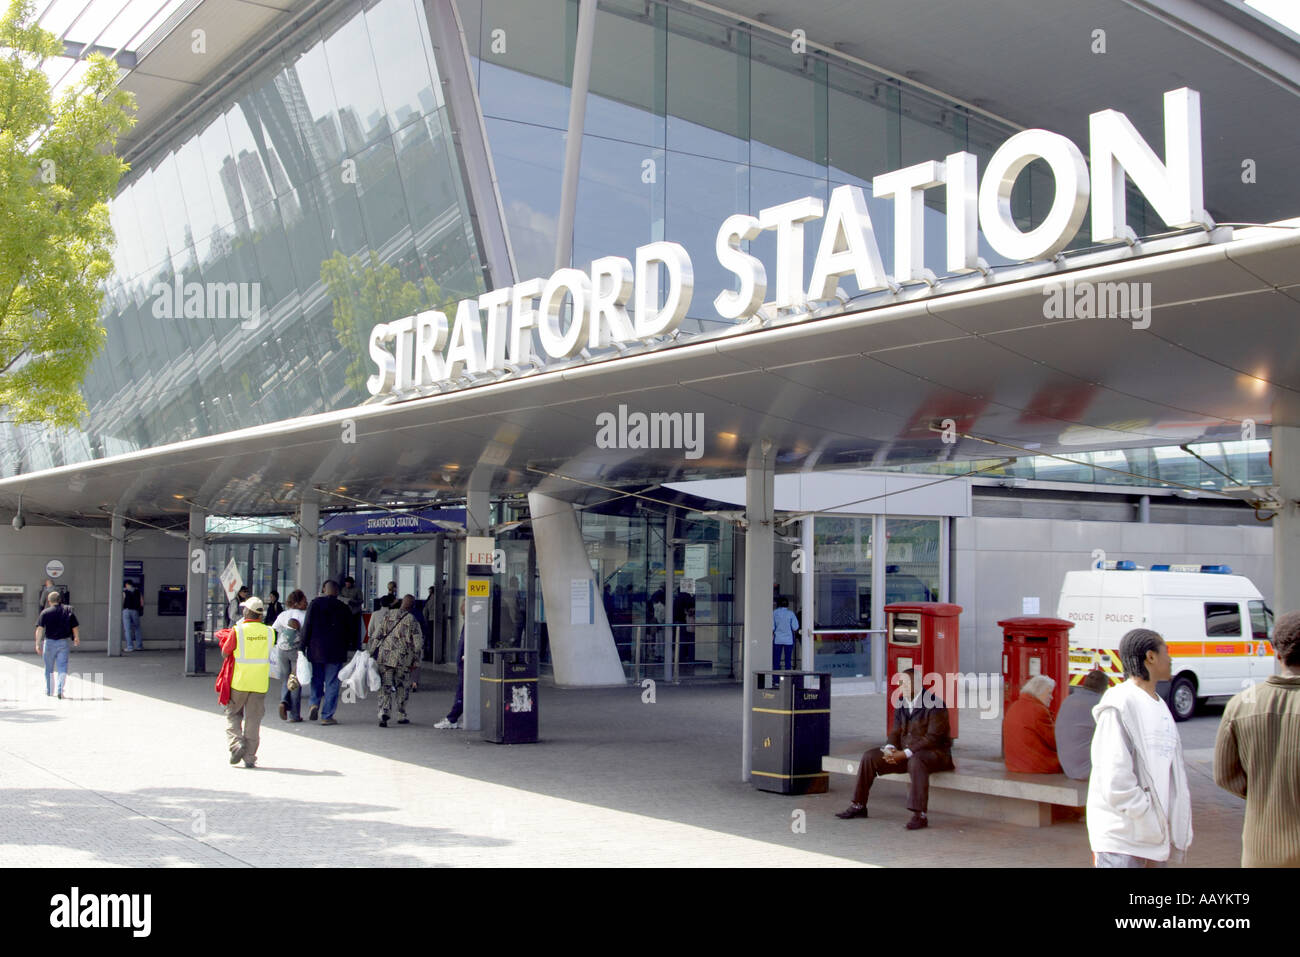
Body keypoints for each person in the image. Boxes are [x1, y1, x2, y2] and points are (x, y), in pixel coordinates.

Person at [1087, 628, 1192, 867]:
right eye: (1167, 651)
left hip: (1154, 841)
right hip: (1122, 842)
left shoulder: (1161, 705)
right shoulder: (1119, 703)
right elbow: (1115, 778)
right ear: (1151, 657)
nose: (1171, 658)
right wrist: (1147, 816)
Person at [1214, 610, 1300, 867]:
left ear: (1276, 652)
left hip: (1260, 852)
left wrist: (1266, 791)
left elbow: (1223, 776)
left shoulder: (1240, 705)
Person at [836, 670, 953, 829]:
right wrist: (890, 749)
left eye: (905, 683)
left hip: (935, 755)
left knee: (916, 761)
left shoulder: (936, 704)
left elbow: (933, 738)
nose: (900, 687)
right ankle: (858, 805)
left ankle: (920, 815)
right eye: (900, 683)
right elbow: (896, 731)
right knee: (869, 757)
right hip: (906, 754)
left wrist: (904, 753)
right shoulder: (901, 701)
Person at [221, 596, 273, 768]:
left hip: (240, 682)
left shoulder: (238, 630)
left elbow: (225, 652)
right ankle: (250, 757)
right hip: (259, 683)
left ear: (246, 612)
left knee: (233, 714)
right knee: (253, 720)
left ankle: (237, 744)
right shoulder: (269, 632)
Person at [298, 580, 353, 726]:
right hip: (336, 651)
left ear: (324, 589)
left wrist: (301, 647)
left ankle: (314, 703)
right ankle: (327, 716)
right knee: (332, 682)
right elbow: (350, 631)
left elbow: (307, 626)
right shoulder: (344, 607)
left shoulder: (315, 604)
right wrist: (347, 648)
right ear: (337, 592)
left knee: (317, 679)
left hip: (316, 650)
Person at [371, 595, 423, 727]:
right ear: (413, 606)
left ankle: (384, 712)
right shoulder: (412, 620)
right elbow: (418, 644)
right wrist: (416, 661)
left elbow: (377, 636)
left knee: (385, 686)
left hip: (385, 657)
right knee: (402, 687)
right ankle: (401, 714)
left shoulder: (388, 615)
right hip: (403, 659)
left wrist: (370, 653)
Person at [1055, 670, 1110, 780]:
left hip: (1068, 768)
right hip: (1089, 770)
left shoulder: (1068, 700)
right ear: (1104, 689)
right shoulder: (1100, 706)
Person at [1003, 674, 1063, 773]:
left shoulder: (1014, 705)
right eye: (1049, 693)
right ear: (1039, 692)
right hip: (1034, 764)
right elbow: (1055, 741)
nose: (1051, 697)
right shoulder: (1038, 710)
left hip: (1013, 763)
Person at [271, 589, 308, 722]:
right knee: (295, 681)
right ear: (297, 603)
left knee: (286, 678)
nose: (307, 602)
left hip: (282, 650)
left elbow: (274, 629)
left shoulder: (283, 615)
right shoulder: (304, 615)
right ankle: (294, 715)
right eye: (304, 600)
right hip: (296, 651)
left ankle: (283, 701)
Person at [35, 590, 80, 698]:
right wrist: (76, 637)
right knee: (62, 667)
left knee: (48, 668)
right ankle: (60, 690)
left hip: (49, 643)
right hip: (63, 643)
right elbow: (75, 626)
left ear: (49, 601)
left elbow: (39, 629)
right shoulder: (67, 610)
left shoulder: (45, 613)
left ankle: (49, 691)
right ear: (59, 600)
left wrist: (37, 644)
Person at [435, 598, 467, 729]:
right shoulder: (468, 623)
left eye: (463, 604)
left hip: (466, 665)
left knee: (462, 691)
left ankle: (452, 718)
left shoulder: (473, 624)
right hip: (463, 664)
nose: (460, 607)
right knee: (464, 691)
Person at [772, 597, 799, 671]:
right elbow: (795, 627)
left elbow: (772, 627)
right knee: (788, 661)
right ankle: (788, 680)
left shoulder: (774, 613)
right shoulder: (791, 613)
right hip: (788, 640)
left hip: (777, 639)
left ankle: (776, 680)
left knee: (776, 660)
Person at [339, 576, 364, 650]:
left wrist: (353, 601)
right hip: (346, 611)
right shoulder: (343, 589)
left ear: (352, 583)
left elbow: (361, 601)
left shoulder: (357, 590)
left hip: (355, 612)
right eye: (346, 583)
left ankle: (354, 645)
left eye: (348, 583)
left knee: (354, 629)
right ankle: (347, 644)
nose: (347, 585)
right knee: (346, 629)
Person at [121, 581, 144, 653]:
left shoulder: (124, 591)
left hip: (126, 610)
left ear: (127, 585)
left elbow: (122, 600)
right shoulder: (138, 591)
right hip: (135, 611)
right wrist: (140, 610)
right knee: (137, 628)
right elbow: (142, 602)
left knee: (127, 629)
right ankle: (139, 646)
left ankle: (130, 647)